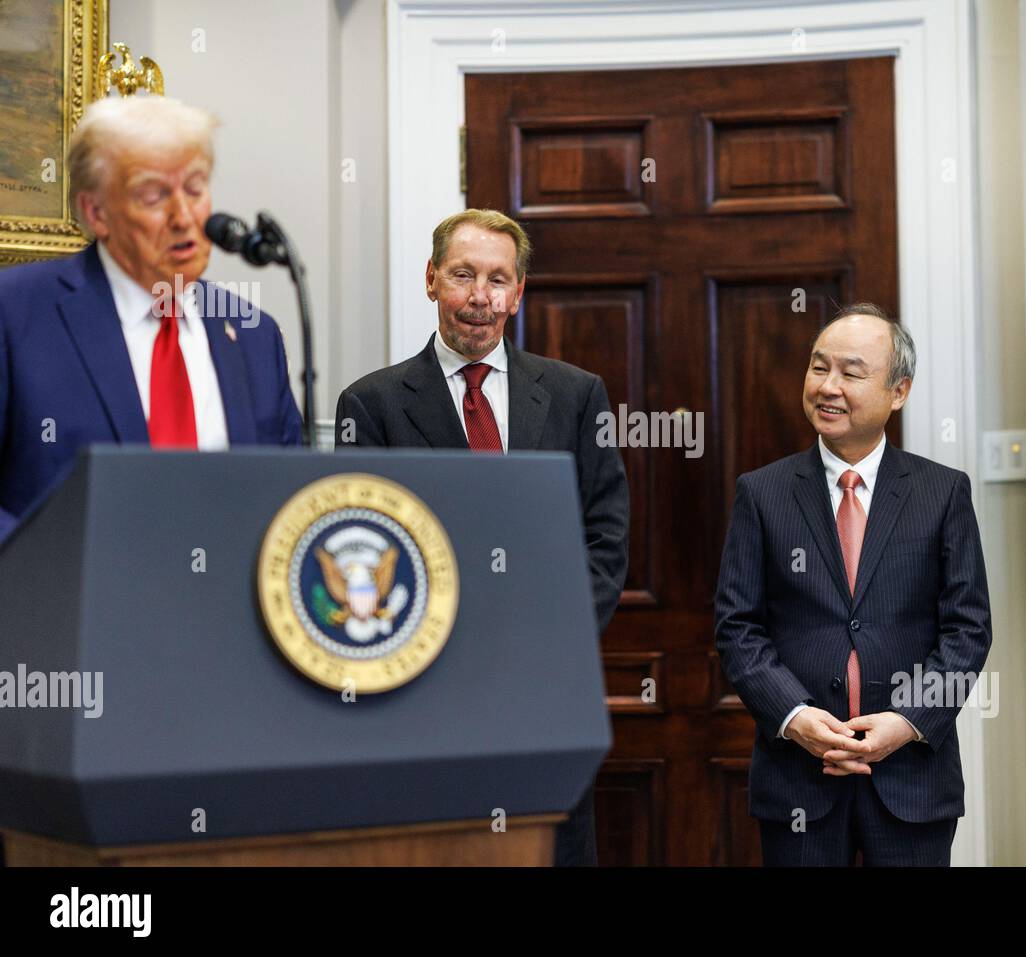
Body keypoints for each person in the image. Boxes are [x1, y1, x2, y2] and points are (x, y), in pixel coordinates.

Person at [335, 208, 629, 866]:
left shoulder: (577, 395)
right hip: (423, 701)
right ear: (432, 279)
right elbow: (364, 549)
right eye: (464, 274)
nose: (480, 296)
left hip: (546, 692)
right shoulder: (372, 405)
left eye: (498, 279)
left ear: (519, 292)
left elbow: (605, 538)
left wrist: (547, 639)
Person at [715, 303, 991, 866]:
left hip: (912, 777)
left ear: (898, 391)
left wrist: (908, 720)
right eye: (819, 368)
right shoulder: (762, 493)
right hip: (799, 776)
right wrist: (795, 718)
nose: (829, 387)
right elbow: (738, 627)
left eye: (852, 372)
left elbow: (968, 630)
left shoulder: (942, 493)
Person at [0, 95, 303, 543]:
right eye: (154, 195)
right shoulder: (16, 312)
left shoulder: (254, 334)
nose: (184, 218)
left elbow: (288, 497)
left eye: (195, 189)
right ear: (95, 212)